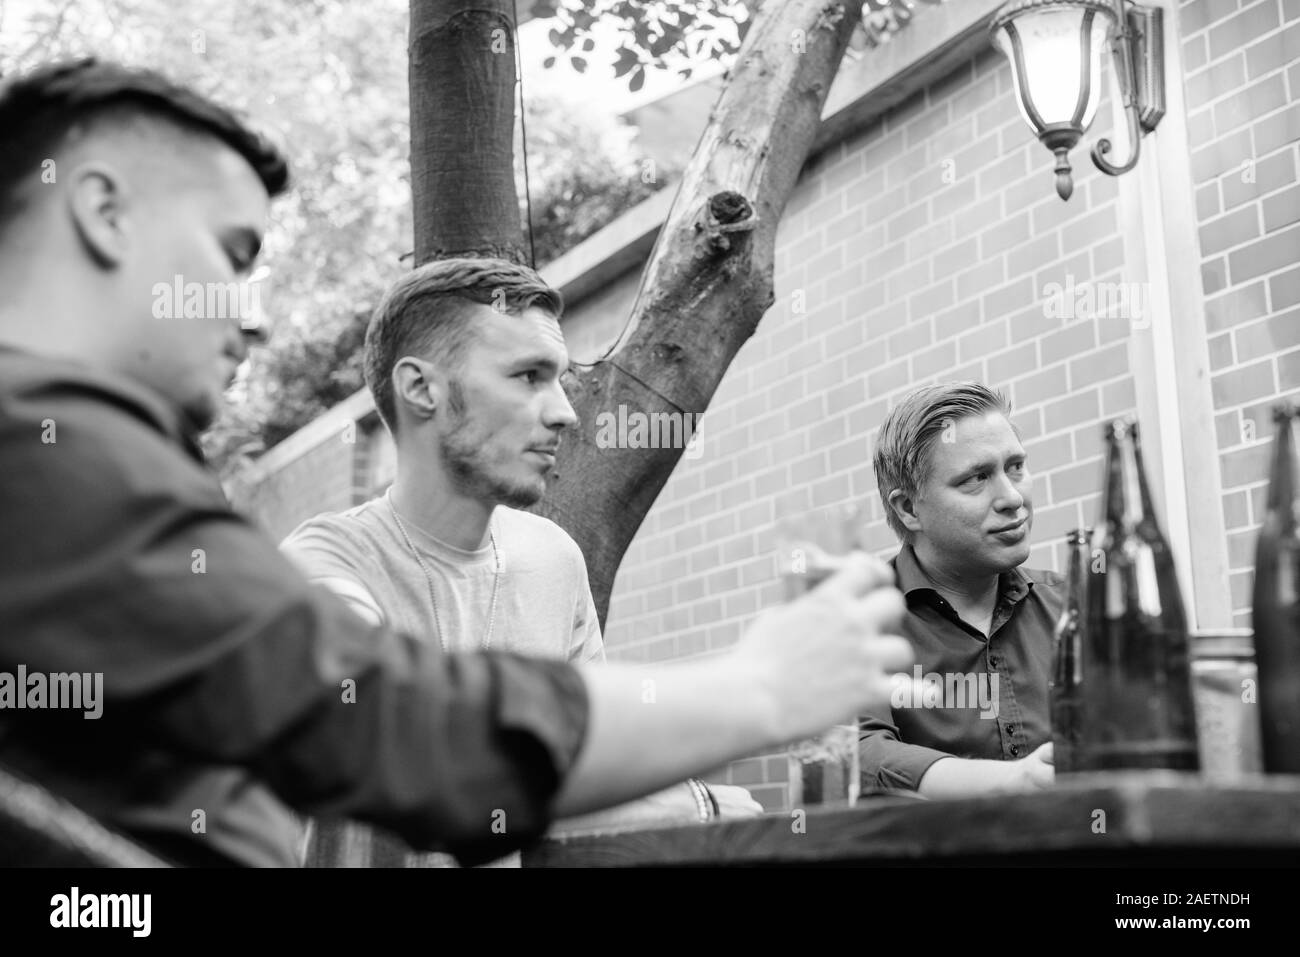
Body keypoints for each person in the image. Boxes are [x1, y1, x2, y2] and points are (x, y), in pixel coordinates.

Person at [0, 58, 912, 867]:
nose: (251, 317)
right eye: (234, 255)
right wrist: (763, 685)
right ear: (103, 208)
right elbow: (384, 723)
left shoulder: (75, 462)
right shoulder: (47, 448)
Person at [281, 258, 760, 866]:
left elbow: (591, 761)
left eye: (559, 379)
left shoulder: (553, 557)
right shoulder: (326, 563)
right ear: (421, 388)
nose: (564, 411)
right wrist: (696, 804)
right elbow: (397, 746)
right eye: (529, 376)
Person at [861, 382, 1063, 798]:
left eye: (1016, 467)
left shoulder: (1073, 606)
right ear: (909, 508)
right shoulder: (859, 621)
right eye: (977, 478)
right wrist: (1013, 780)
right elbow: (857, 753)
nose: (1012, 498)